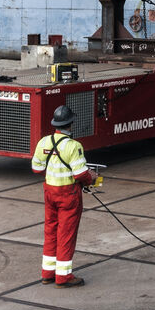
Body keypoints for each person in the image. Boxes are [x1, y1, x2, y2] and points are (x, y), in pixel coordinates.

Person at [31, 105, 97, 287]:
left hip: (49, 193)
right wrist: (92, 177)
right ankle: (63, 277)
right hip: (68, 195)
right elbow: (81, 174)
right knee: (66, 234)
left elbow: (36, 168)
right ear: (71, 124)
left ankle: (48, 273)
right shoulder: (74, 146)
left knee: (50, 231)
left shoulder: (44, 142)